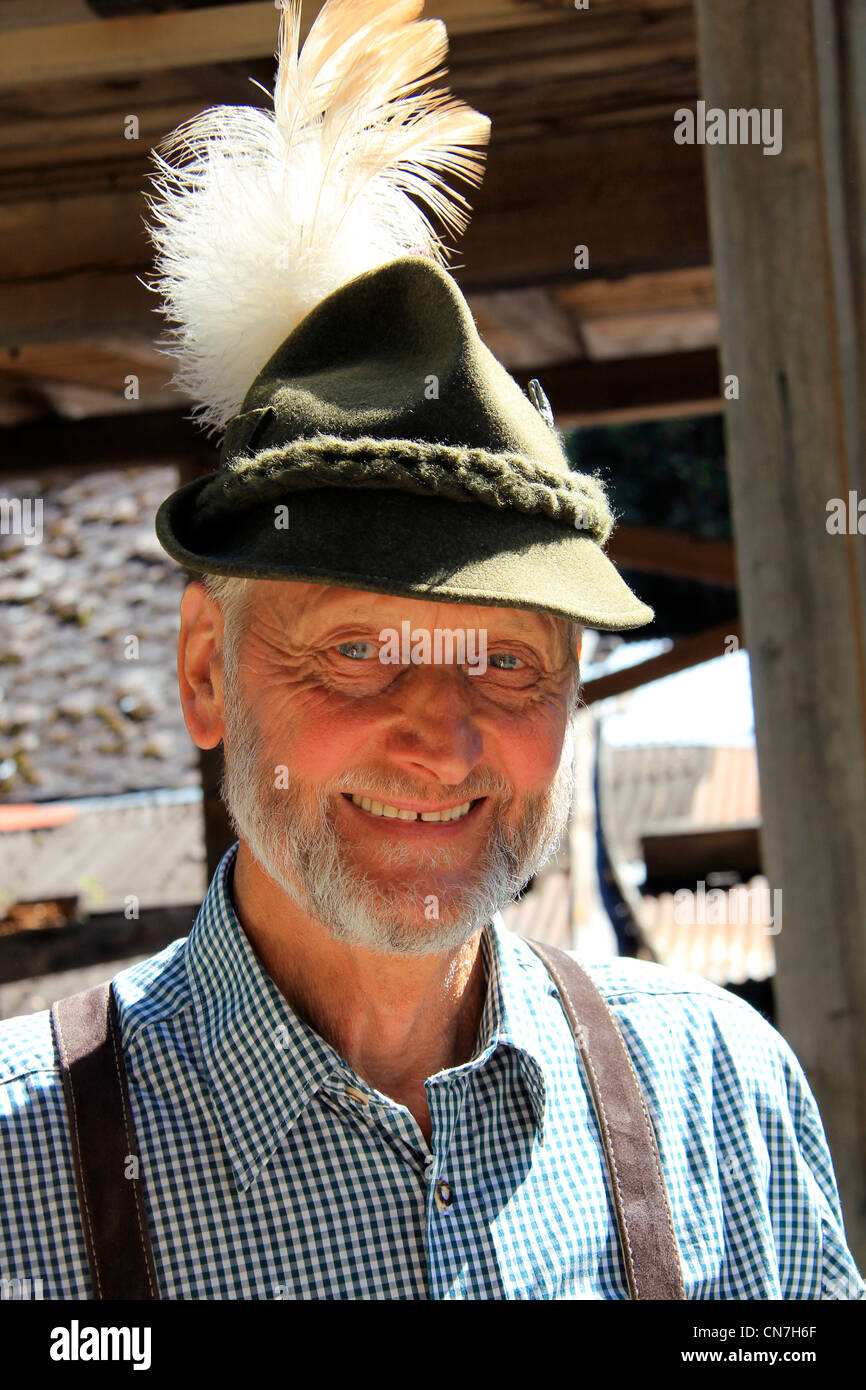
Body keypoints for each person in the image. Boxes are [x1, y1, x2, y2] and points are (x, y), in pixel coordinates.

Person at [0, 0, 862, 1301]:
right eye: (355, 651)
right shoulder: (26, 1176)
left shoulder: (718, 1100)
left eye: (508, 662)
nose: (441, 737)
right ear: (201, 670)